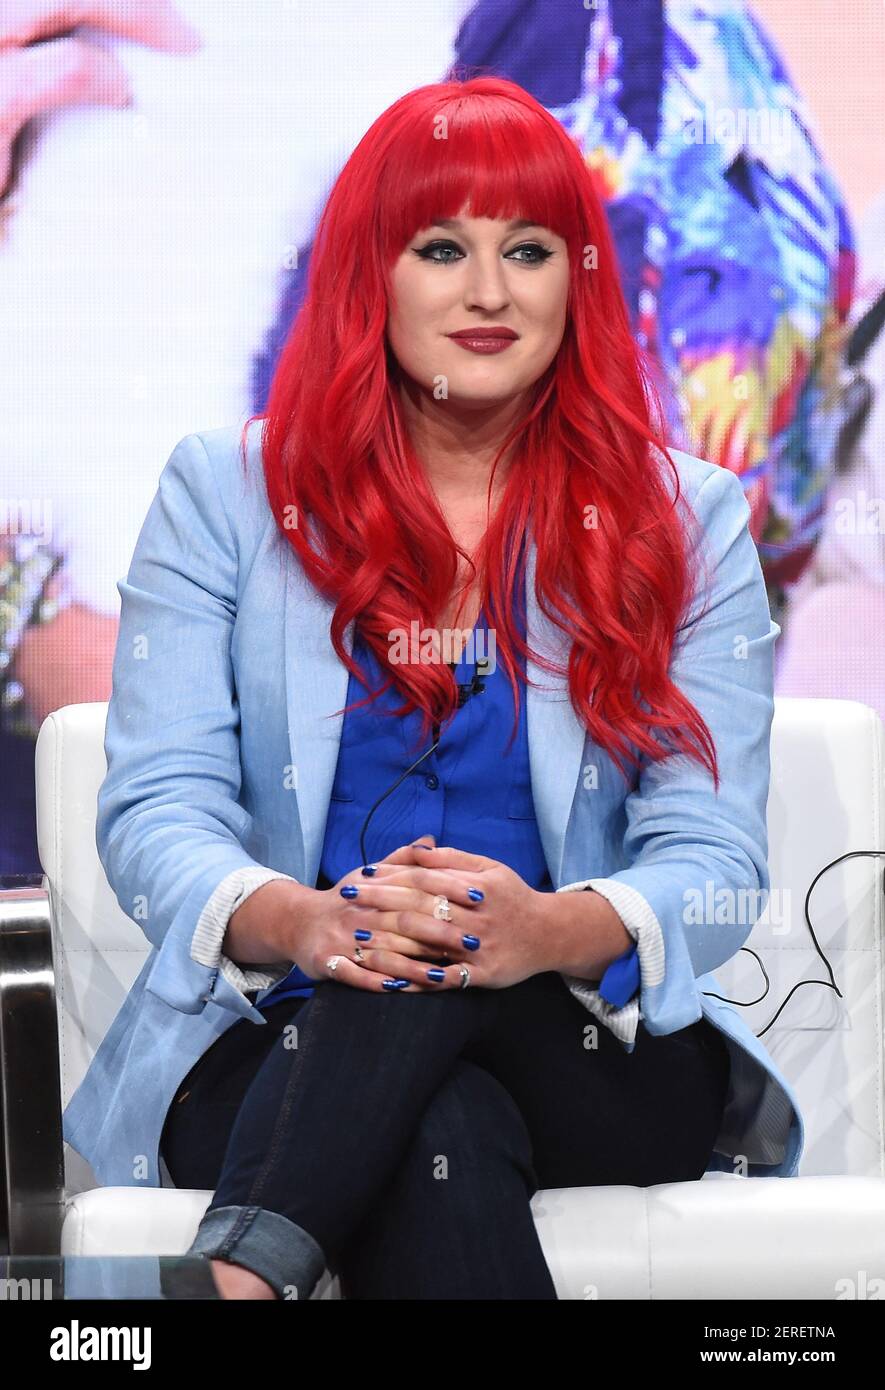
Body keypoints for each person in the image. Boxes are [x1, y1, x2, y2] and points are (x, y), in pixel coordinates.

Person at [63, 75, 803, 1301]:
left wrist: (543, 930)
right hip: (277, 1044)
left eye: (528, 250)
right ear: (371, 274)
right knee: (437, 1121)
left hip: (582, 1046)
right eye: (440, 247)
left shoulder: (684, 519)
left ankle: (239, 1277)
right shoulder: (225, 495)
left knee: (434, 956)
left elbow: (712, 857)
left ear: (579, 278)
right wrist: (310, 923)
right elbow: (158, 811)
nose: (491, 292)